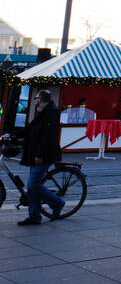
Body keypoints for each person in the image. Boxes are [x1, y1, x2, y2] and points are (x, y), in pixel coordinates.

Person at [18, 90, 64, 226]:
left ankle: (57, 203)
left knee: (33, 185)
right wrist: (13, 135)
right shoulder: (43, 111)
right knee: (33, 186)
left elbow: (47, 137)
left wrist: (40, 155)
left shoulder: (51, 113)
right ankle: (34, 216)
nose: (35, 100)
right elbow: (31, 128)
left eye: (36, 98)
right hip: (36, 153)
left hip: (44, 155)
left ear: (41, 99)